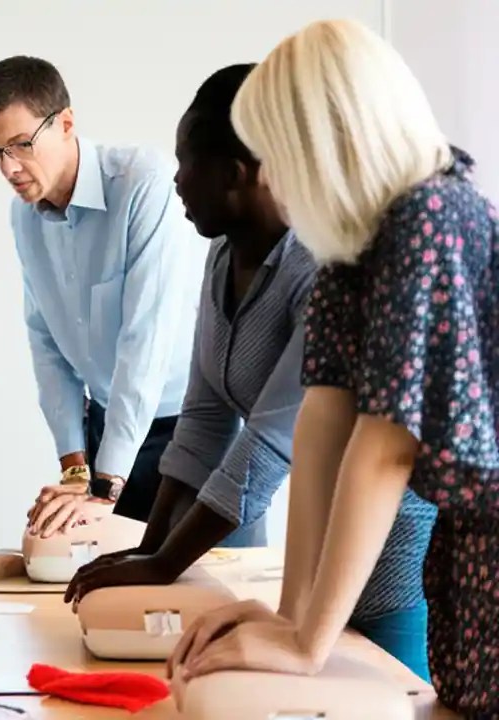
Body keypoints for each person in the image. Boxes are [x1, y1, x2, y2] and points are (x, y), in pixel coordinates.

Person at [65, 62, 436, 681]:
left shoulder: (320, 266)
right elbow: (206, 417)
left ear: (237, 174)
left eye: (186, 162)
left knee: (393, 687)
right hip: (325, 526)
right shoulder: (218, 257)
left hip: (389, 536)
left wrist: (162, 564)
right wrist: (150, 551)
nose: (176, 179)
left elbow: (268, 444)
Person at [168, 20, 494, 715]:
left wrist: (309, 641)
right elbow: (323, 420)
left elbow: (384, 448)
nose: (271, 175)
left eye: (277, 151)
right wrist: (293, 616)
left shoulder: (430, 213)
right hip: (463, 561)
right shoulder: (353, 245)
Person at [0, 56, 205, 525]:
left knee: (206, 590)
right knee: (110, 583)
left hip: (192, 429)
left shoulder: (143, 182)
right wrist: (75, 467)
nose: (9, 168)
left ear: (66, 124)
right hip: (106, 428)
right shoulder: (24, 216)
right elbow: (46, 342)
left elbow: (145, 340)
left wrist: (105, 480)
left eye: (20, 145)